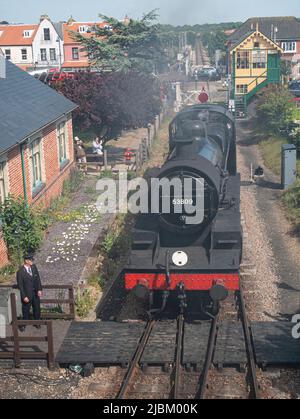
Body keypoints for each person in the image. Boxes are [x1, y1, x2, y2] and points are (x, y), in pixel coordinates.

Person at [17, 254, 42, 332]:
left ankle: (37, 322)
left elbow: (38, 279)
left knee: (37, 309)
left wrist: (39, 289)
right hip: (27, 294)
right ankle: (24, 324)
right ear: (26, 261)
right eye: (31, 260)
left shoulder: (34, 267)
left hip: (35, 293)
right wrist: (24, 296)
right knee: (26, 310)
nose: (32, 261)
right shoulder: (20, 272)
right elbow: (20, 286)